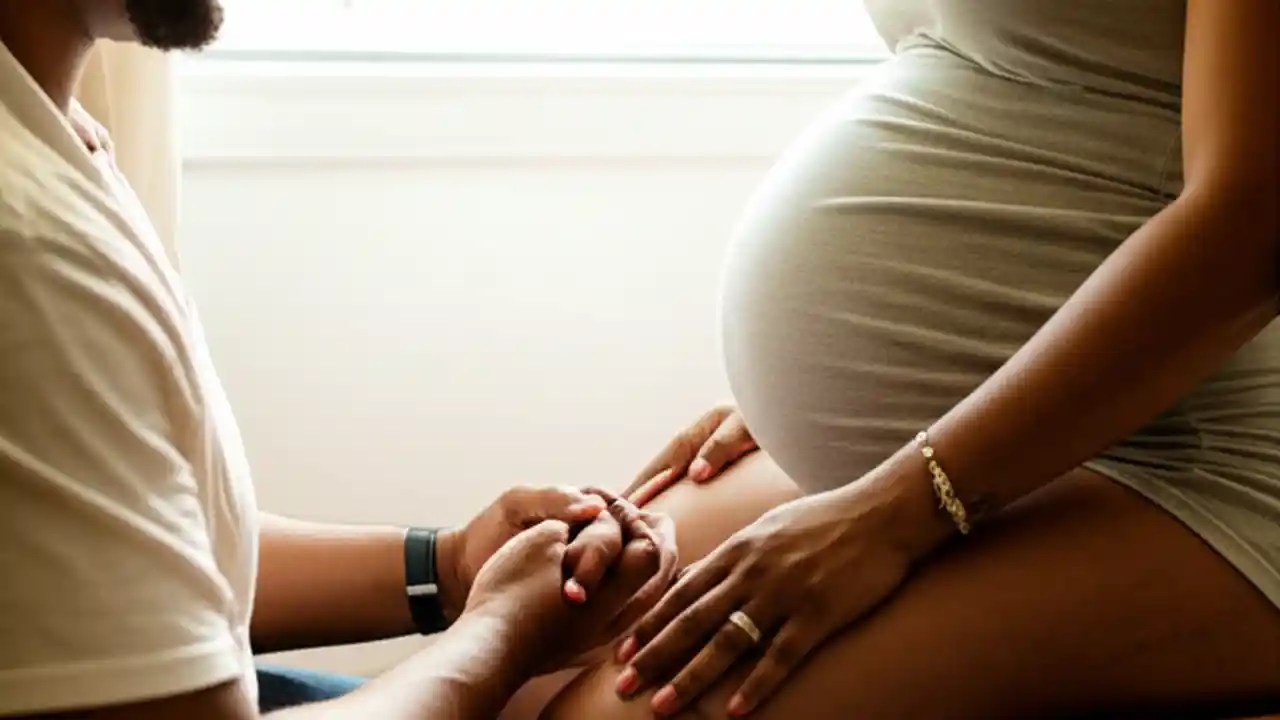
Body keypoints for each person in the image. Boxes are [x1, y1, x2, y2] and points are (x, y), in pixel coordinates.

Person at [543, 0, 1280, 718]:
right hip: (1003, 415)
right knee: (526, 657)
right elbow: (1055, 116)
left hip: (1192, 455)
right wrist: (884, 369)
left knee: (608, 710)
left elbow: (1253, 225)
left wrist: (893, 512)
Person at [0, 2, 680, 718]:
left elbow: (137, 562)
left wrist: (449, 567)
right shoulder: (30, 246)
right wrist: (502, 632)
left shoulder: (50, 137)